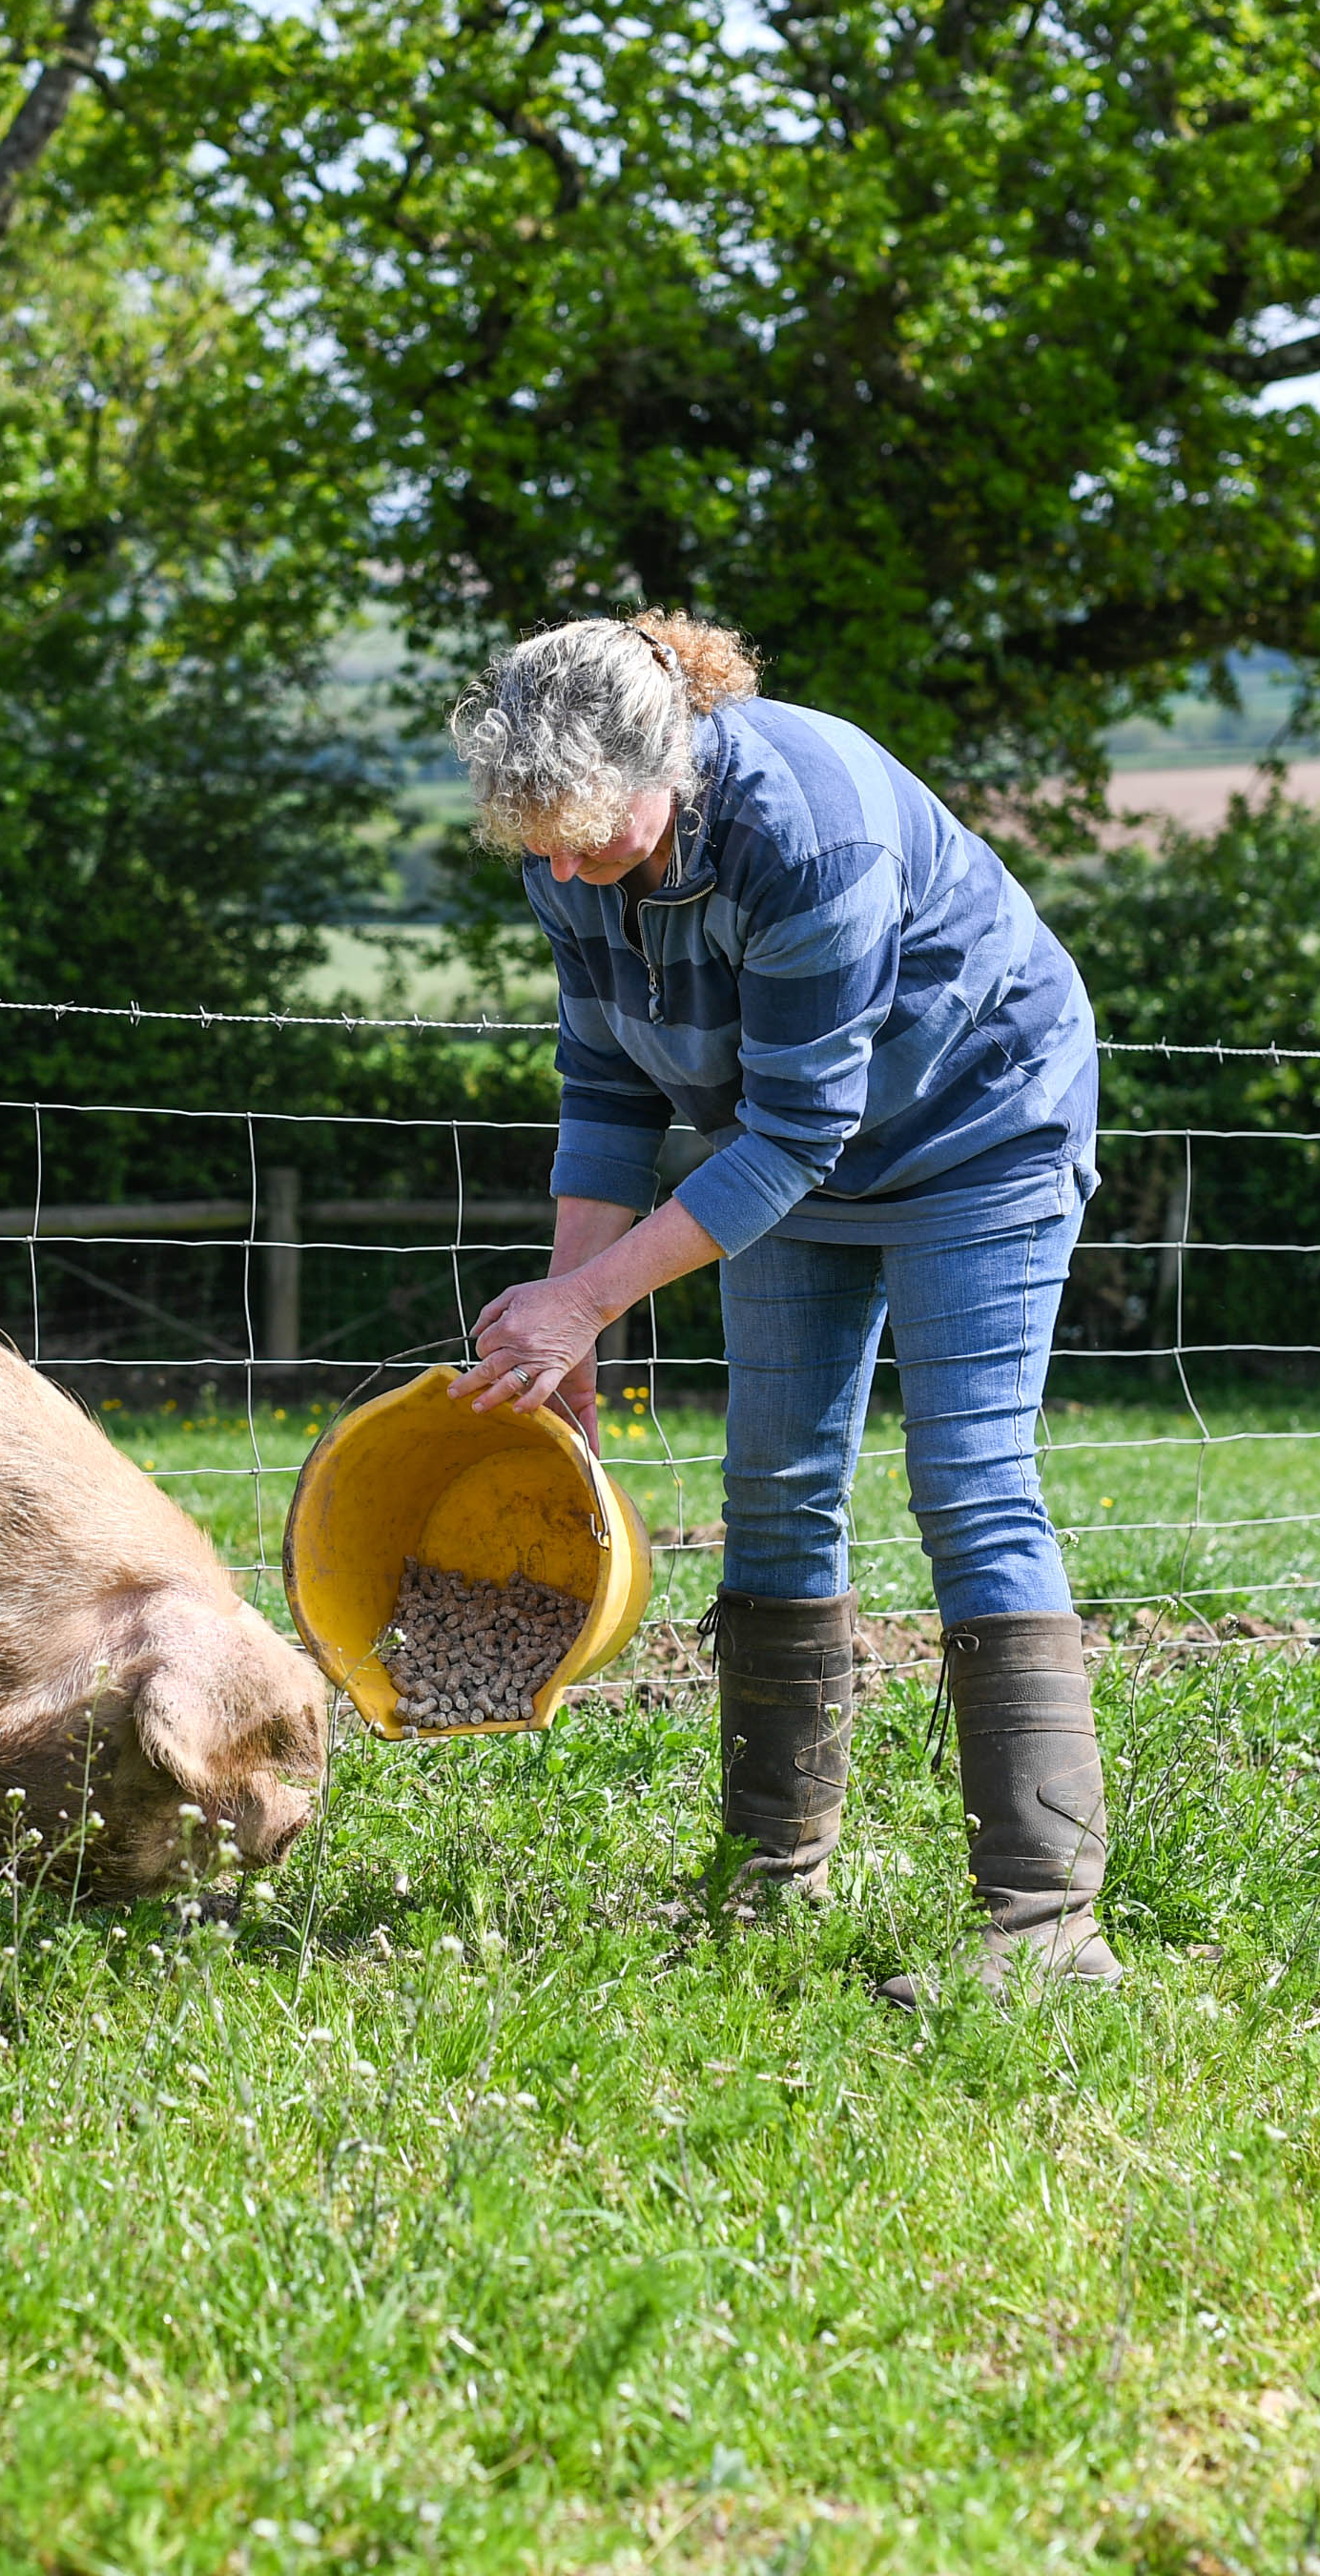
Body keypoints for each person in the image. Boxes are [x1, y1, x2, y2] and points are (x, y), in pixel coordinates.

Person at [444, 611, 1117, 1996]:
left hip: (978, 1136)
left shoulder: (808, 830)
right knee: (774, 1487)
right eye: (538, 846)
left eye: (584, 836)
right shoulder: (572, 846)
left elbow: (803, 1128)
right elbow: (608, 1089)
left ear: (667, 766)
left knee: (971, 1485)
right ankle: (768, 1876)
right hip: (781, 1159)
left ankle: (1047, 1927)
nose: (562, 870)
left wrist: (584, 1304)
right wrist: (576, 1320)